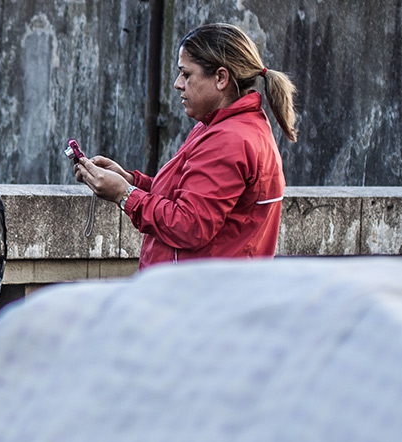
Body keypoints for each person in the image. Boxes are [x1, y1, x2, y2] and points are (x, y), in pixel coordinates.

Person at [72, 23, 295, 267]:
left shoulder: (230, 139)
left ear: (221, 78)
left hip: (200, 297)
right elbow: (189, 197)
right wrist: (131, 181)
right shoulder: (225, 126)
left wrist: (124, 194)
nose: (178, 83)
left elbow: (189, 225)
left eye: (186, 74)